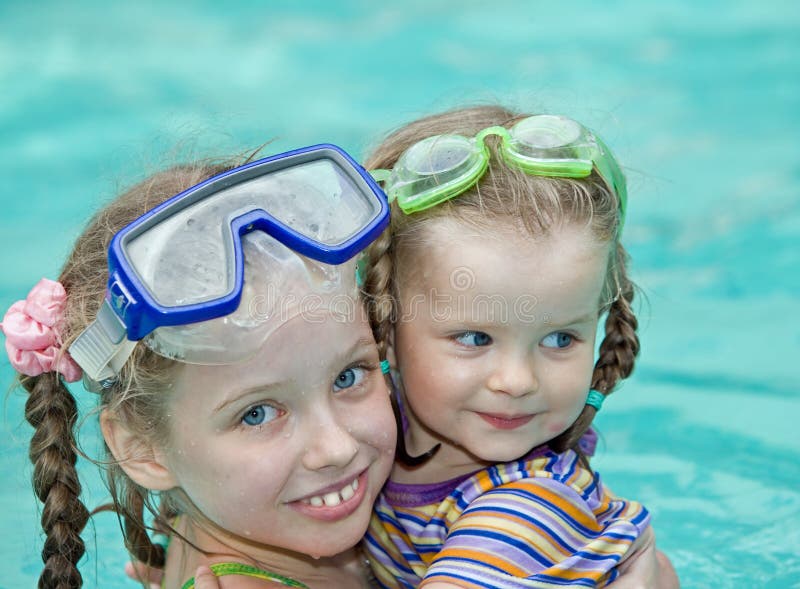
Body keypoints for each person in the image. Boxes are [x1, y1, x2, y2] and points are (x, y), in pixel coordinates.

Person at [1, 145, 398, 588]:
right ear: (141, 448)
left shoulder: (225, 513)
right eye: (257, 413)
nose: (337, 448)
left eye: (348, 376)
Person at [360, 105, 678, 588]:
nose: (517, 381)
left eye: (559, 339)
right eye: (474, 338)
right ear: (385, 322)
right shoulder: (368, 431)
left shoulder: (528, 508)